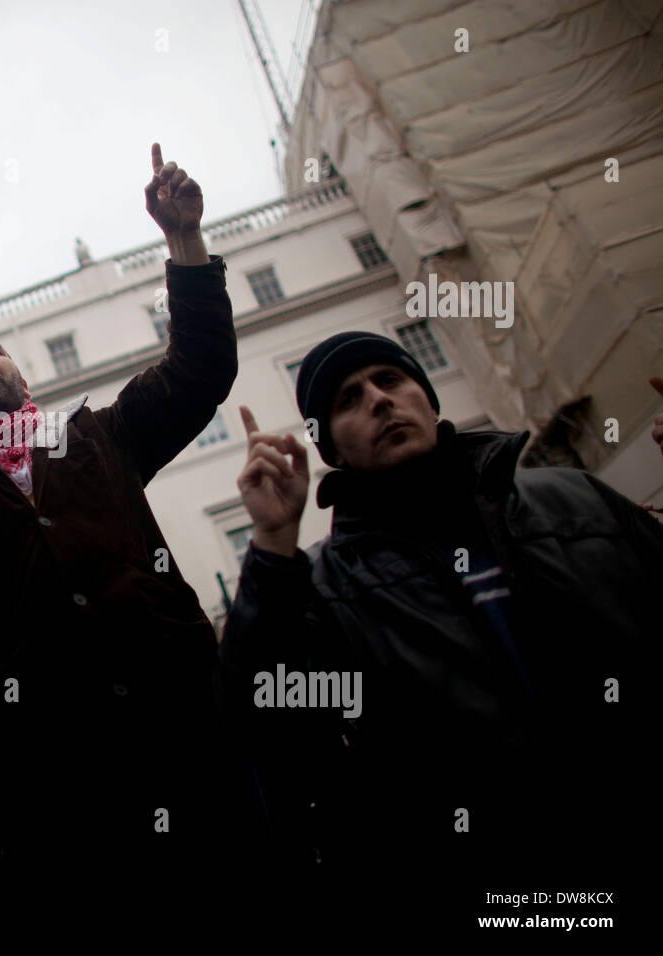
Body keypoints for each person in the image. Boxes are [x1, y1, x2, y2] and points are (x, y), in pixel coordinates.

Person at [0, 143, 244, 864]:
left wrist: (184, 241)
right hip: (52, 782)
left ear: (21, 377)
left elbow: (199, 369)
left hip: (185, 734)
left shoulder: (96, 435)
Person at [222, 330, 659, 885]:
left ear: (428, 399)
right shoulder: (321, 588)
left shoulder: (579, 499)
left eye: (390, 379)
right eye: (347, 400)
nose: (379, 400)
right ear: (330, 447)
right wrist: (271, 547)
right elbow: (267, 729)